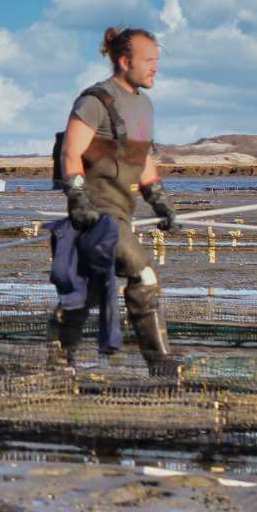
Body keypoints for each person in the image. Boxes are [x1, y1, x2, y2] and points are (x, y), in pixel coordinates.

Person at [52, 26, 182, 377]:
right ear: (125, 61)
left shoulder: (145, 106)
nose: (155, 67)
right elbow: (71, 152)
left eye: (156, 60)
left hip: (124, 213)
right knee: (144, 275)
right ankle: (160, 364)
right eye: (149, 60)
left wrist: (160, 201)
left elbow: (142, 160)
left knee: (87, 293)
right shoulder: (95, 101)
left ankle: (59, 361)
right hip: (98, 216)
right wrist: (77, 199)